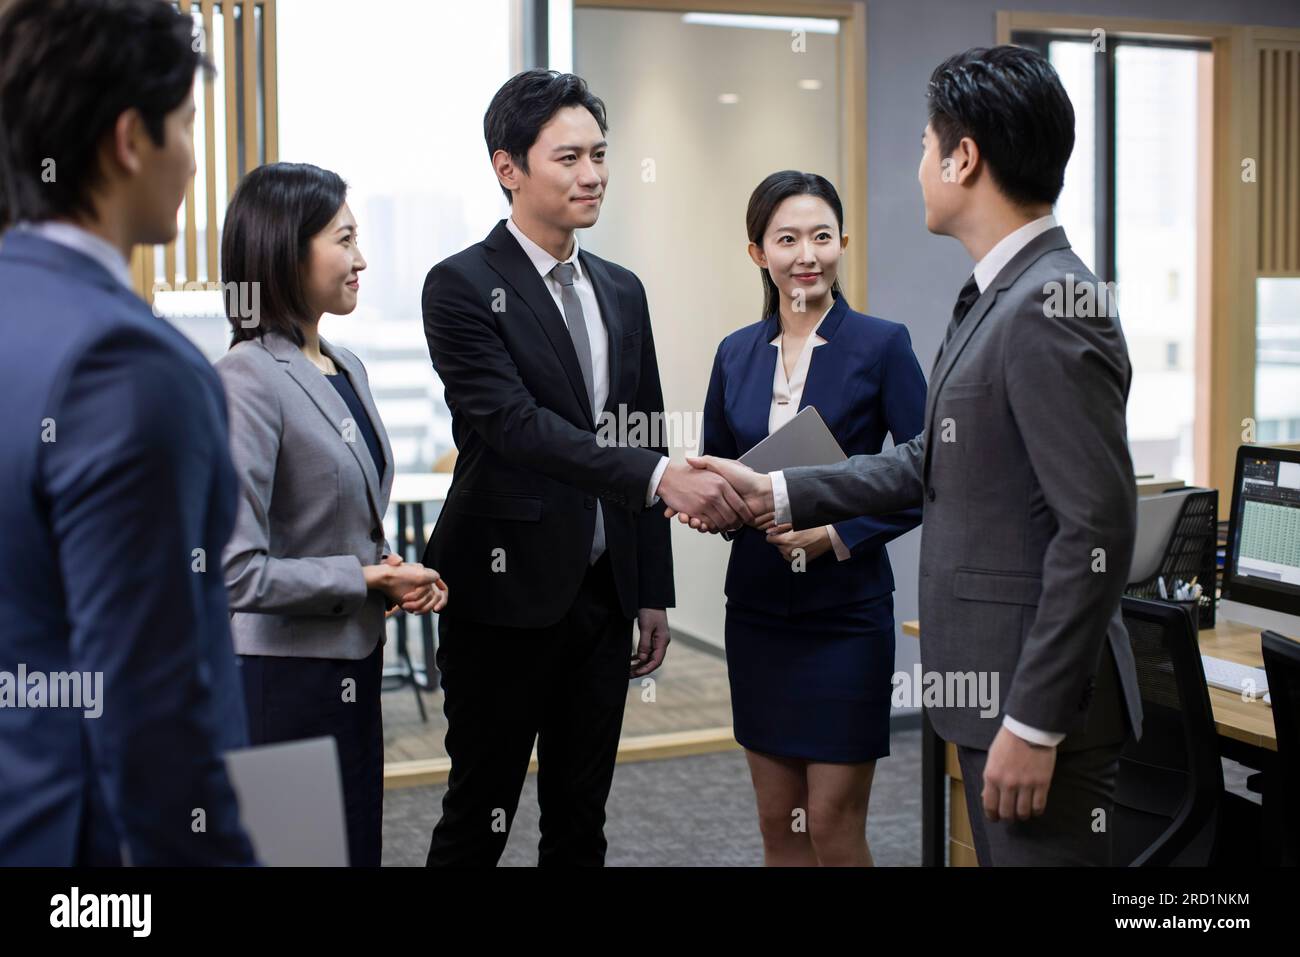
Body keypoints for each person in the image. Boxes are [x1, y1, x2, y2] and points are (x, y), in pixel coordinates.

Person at [677, 46, 1143, 866]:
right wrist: (778, 491)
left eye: (926, 145)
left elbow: (1096, 526)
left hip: (1024, 698)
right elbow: (931, 459)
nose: (918, 163)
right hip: (974, 682)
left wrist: (1032, 719)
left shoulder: (1047, 304)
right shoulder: (996, 296)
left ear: (964, 158)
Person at [421, 70, 751, 867]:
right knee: (480, 814)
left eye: (600, 154)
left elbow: (637, 428)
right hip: (502, 598)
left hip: (602, 599)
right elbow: (515, 427)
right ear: (509, 168)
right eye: (568, 157)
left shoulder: (620, 288)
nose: (594, 174)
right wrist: (655, 476)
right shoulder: (461, 285)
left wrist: (653, 592)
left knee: (580, 819)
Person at [0, 0, 255, 865]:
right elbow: (146, 716)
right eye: (184, 125)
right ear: (128, 140)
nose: (191, 157)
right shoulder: (127, 365)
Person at [215, 162, 446, 867]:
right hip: (282, 682)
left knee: (352, 854)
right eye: (344, 239)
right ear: (288, 251)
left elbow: (347, 521)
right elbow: (236, 572)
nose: (361, 259)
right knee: (299, 858)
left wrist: (385, 571)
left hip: (352, 665)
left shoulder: (346, 366)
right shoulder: (247, 376)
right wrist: (364, 578)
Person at [700, 171, 925, 866]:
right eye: (787, 238)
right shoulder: (736, 352)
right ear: (757, 251)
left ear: (843, 243)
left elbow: (932, 475)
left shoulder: (883, 344)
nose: (807, 254)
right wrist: (712, 503)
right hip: (760, 610)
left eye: (821, 236)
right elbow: (717, 463)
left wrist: (838, 532)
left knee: (831, 821)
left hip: (846, 615)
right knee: (780, 823)